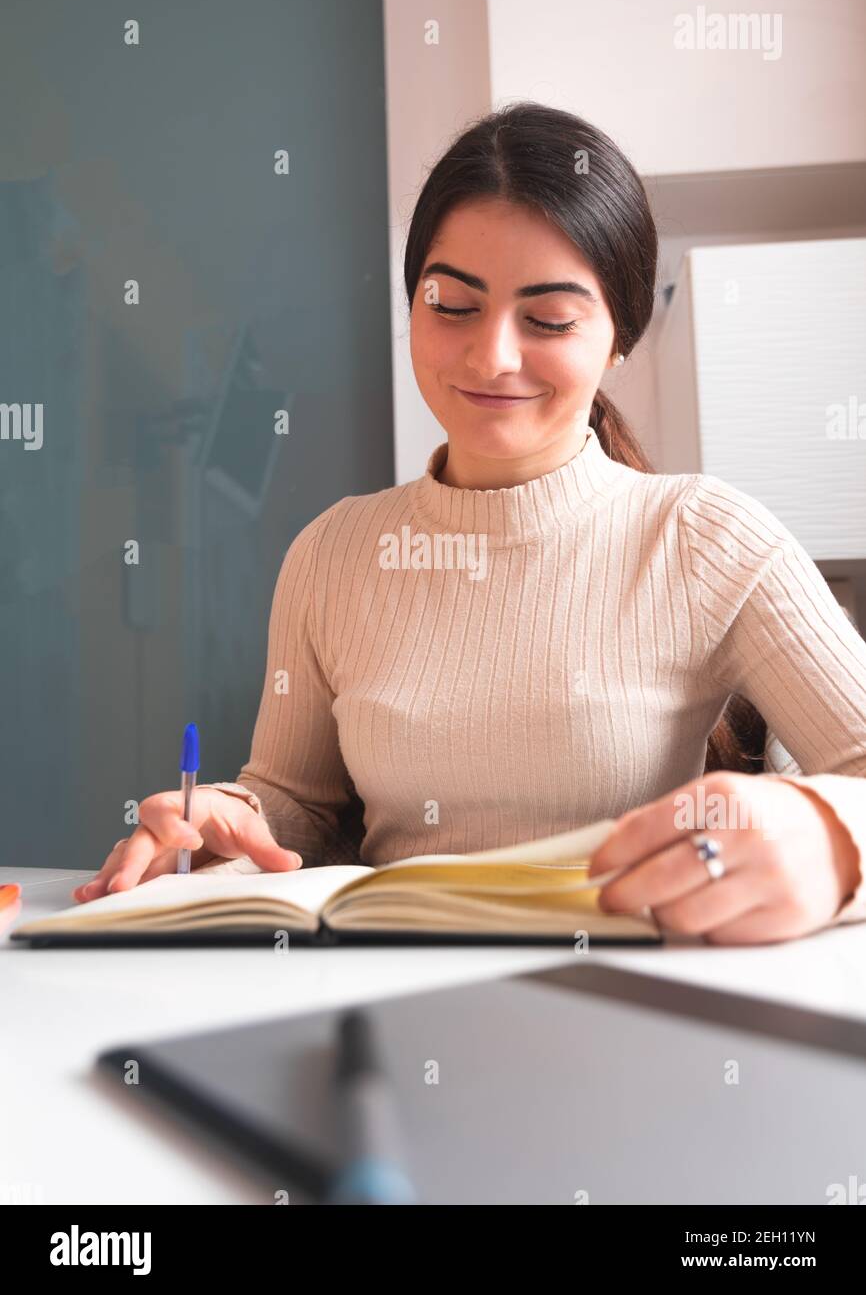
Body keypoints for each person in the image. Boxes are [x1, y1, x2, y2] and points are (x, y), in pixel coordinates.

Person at [75, 102, 866, 944]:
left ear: (619, 338)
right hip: (379, 1005)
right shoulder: (333, 553)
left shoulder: (708, 537)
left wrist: (831, 840)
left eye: (550, 319)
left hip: (628, 1003)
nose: (492, 356)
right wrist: (221, 818)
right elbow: (297, 805)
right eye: (452, 304)